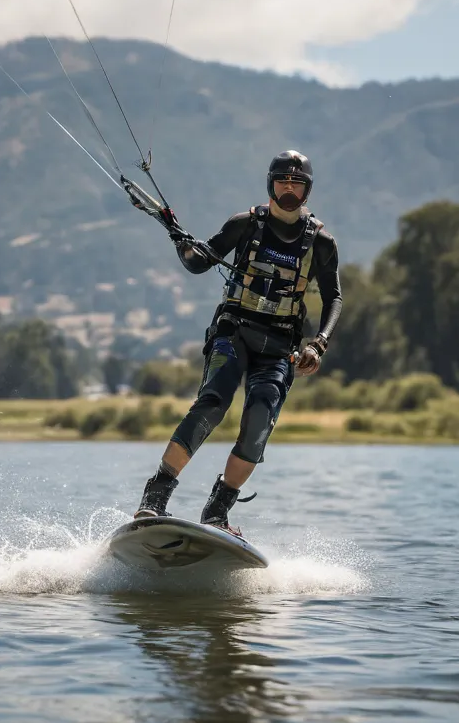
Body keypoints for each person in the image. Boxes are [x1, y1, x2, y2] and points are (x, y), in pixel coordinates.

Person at [134, 150, 343, 536]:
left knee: (260, 421)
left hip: (280, 347)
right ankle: (155, 498)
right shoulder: (245, 224)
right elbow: (200, 261)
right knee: (213, 402)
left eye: (297, 182)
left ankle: (216, 512)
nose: (289, 188)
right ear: (271, 184)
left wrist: (319, 344)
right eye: (283, 180)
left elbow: (334, 298)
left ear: (308, 190)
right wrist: (180, 240)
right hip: (234, 332)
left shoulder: (322, 243)